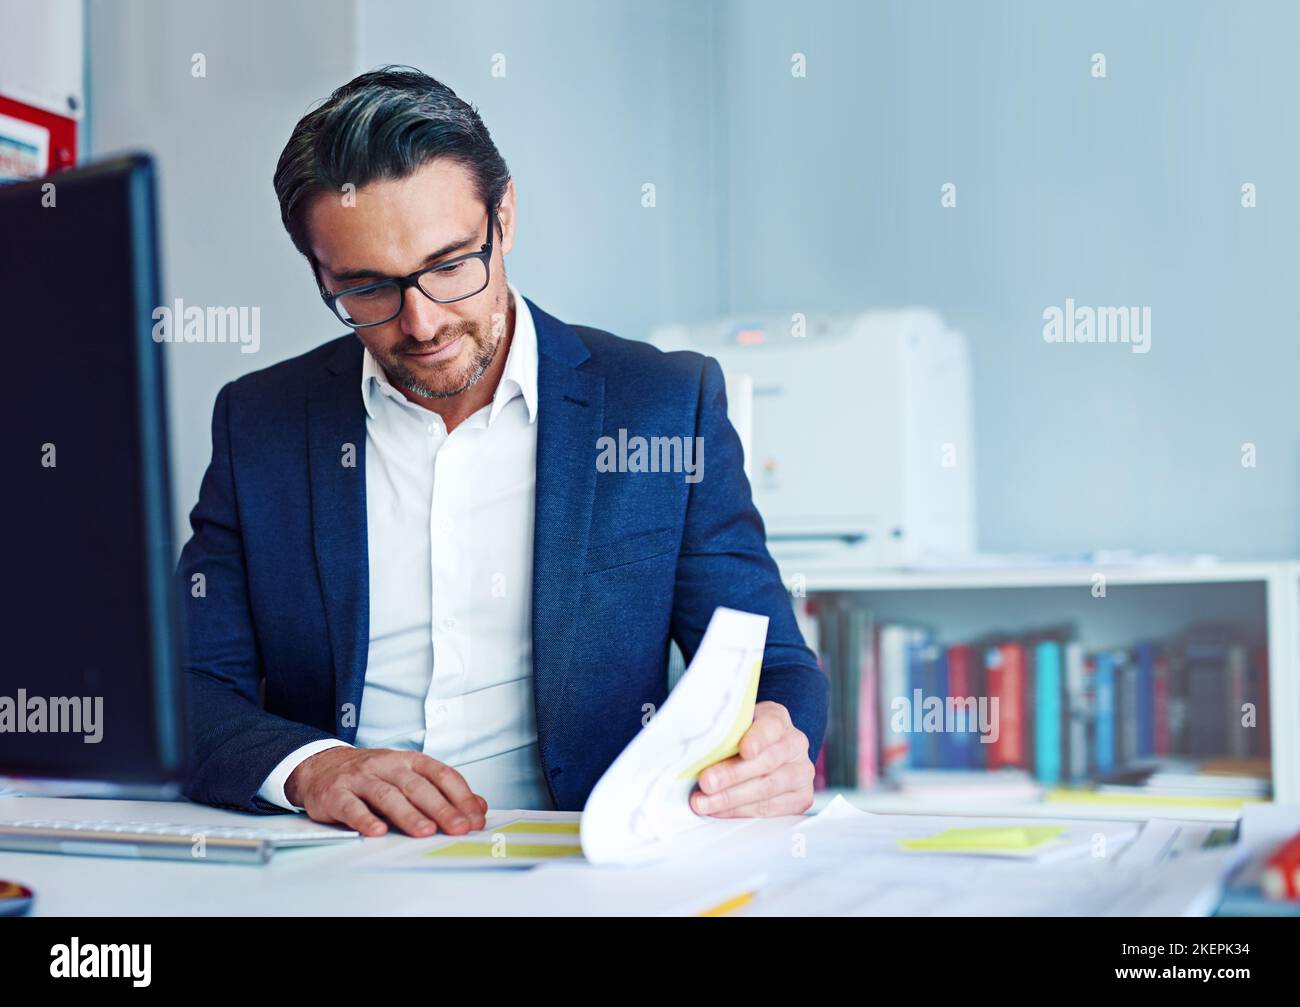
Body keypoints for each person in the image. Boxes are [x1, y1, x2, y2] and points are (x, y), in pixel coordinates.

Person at [179, 66, 826, 838]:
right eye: (366, 289)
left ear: (504, 216)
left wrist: (778, 740)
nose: (421, 322)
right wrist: (315, 766)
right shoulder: (260, 423)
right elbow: (187, 688)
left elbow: (774, 665)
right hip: (335, 864)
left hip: (577, 870)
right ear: (320, 272)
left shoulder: (661, 406)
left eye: (451, 265)